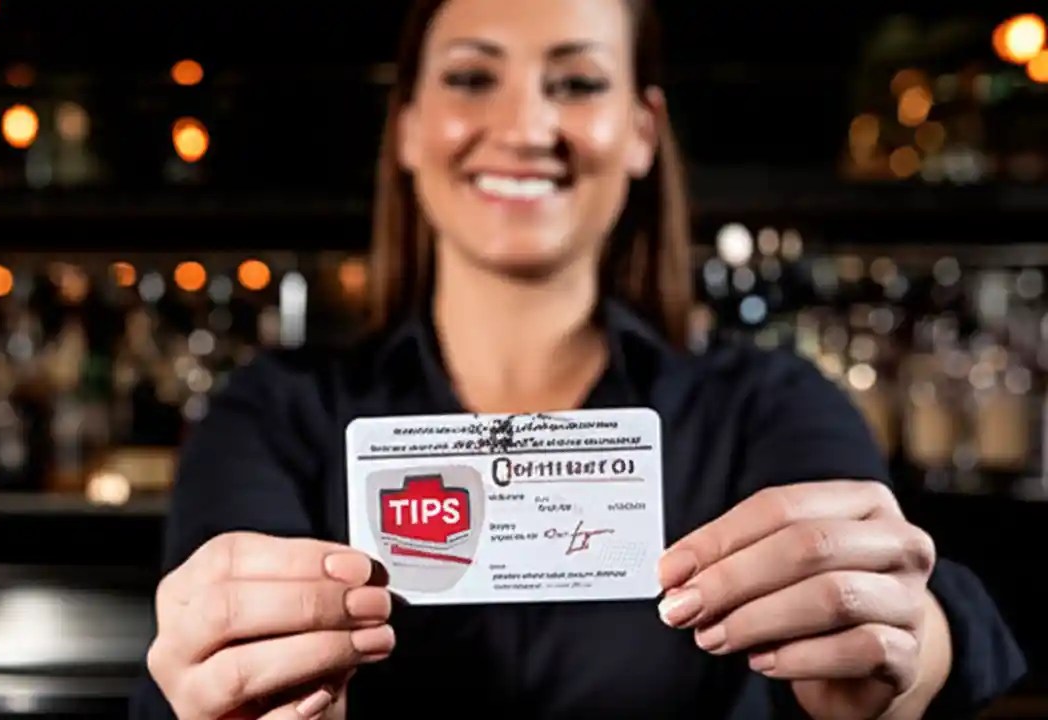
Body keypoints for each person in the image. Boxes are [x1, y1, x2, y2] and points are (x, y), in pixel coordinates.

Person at [133, 0, 1026, 717]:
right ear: (406, 127)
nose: (525, 125)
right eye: (473, 76)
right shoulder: (272, 415)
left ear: (642, 131)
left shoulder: (772, 405)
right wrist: (224, 689)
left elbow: (913, 616)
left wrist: (904, 648)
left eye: (576, 80)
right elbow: (196, 678)